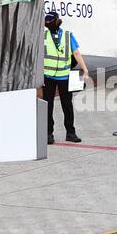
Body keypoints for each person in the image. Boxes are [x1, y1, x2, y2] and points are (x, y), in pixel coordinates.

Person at [41, 12, 89, 145]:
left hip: (64, 75)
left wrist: (85, 69)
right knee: (47, 105)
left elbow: (76, 53)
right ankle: (48, 133)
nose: (48, 24)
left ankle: (70, 132)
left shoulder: (68, 36)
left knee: (67, 105)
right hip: (48, 76)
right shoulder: (43, 36)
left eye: (51, 21)